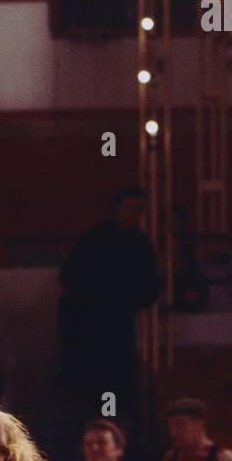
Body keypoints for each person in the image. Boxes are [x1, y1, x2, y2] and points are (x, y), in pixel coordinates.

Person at [56, 186, 160, 441]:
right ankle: (91, 438)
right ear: (118, 209)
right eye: (131, 208)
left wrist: (128, 300)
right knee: (91, 387)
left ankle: (118, 441)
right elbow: (69, 277)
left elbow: (152, 286)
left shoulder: (141, 245)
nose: (135, 215)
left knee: (121, 387)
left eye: (139, 209)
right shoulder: (94, 240)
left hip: (121, 328)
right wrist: (97, 295)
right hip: (89, 329)